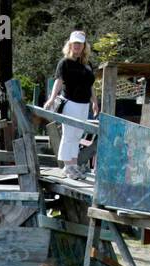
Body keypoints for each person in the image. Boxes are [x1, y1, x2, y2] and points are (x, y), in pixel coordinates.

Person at [45, 30, 97, 179]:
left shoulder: (87, 64)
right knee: (69, 134)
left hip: (83, 104)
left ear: (84, 46)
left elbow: (90, 86)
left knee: (77, 135)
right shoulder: (65, 63)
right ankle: (67, 167)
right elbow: (59, 81)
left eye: (80, 44)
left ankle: (73, 165)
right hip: (70, 103)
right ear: (70, 44)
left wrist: (95, 102)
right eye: (75, 43)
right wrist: (51, 98)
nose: (77, 46)